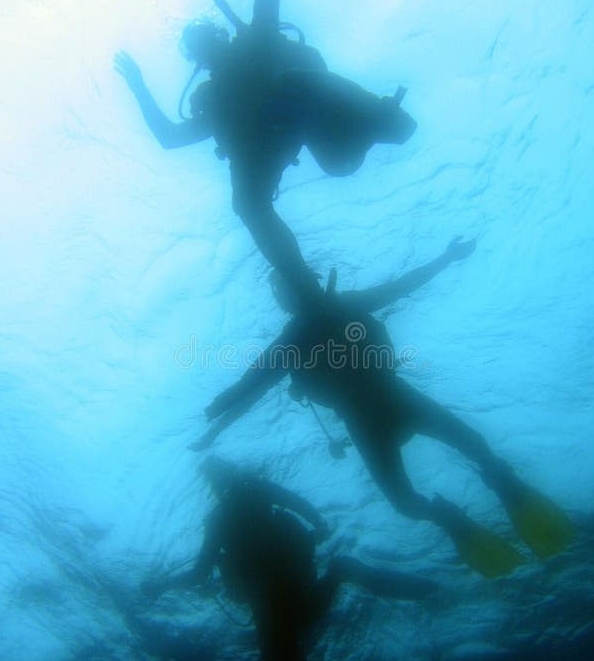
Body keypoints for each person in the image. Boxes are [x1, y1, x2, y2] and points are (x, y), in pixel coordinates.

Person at [191, 238, 574, 578]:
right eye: (280, 290)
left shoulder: (338, 307)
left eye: (287, 285)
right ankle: (453, 515)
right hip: (375, 414)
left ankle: (502, 484)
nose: (287, 293)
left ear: (304, 282)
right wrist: (217, 420)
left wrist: (446, 258)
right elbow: (254, 383)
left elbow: (399, 287)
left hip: (387, 401)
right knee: (410, 497)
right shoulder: (296, 335)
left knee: (468, 448)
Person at [114, 0, 416, 305]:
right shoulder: (215, 101)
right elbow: (168, 138)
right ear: (199, 60)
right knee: (244, 203)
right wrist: (138, 87)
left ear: (220, 36)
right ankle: (303, 284)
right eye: (200, 49)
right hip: (311, 155)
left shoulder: (257, 42)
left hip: (333, 135)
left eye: (208, 40)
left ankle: (379, 117)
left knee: (298, 80)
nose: (209, 49)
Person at [141, 457, 437, 661]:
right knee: (283, 647)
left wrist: (163, 585)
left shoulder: (228, 511)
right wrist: (318, 523)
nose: (222, 486)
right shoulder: (245, 498)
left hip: (276, 595)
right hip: (289, 589)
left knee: (278, 653)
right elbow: (296, 503)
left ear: (215, 485)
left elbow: (199, 574)